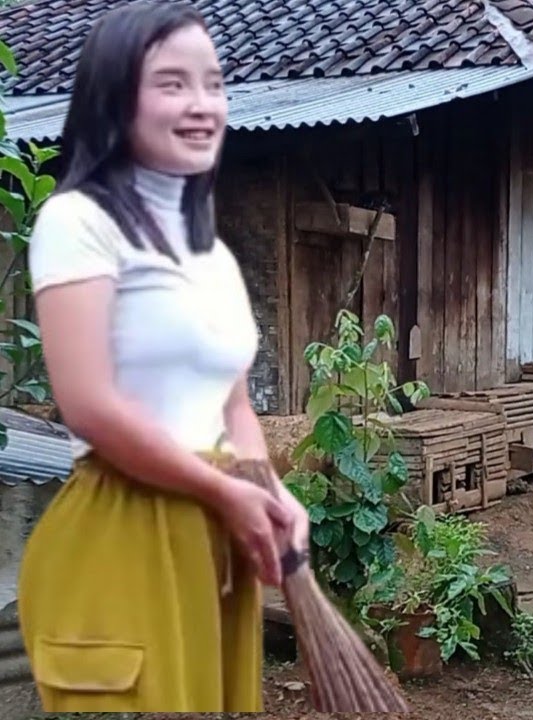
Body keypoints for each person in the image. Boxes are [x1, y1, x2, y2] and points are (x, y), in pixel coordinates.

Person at [17, 3, 309, 711]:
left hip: (215, 541)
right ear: (115, 99)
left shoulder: (209, 255)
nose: (203, 104)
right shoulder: (78, 221)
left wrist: (271, 491)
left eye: (213, 83)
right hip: (127, 525)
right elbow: (88, 404)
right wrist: (222, 491)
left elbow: (233, 407)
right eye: (173, 83)